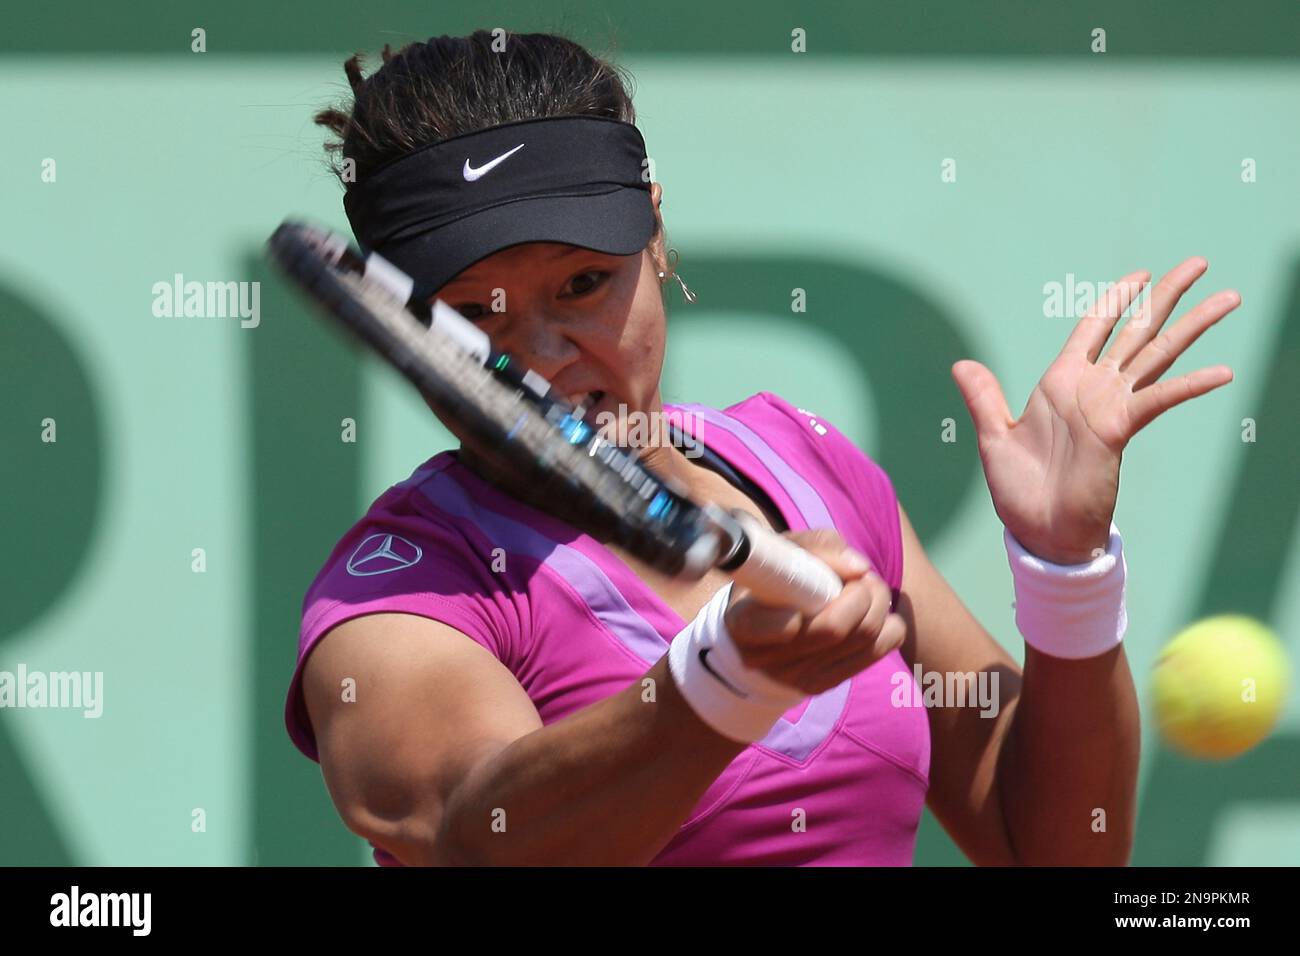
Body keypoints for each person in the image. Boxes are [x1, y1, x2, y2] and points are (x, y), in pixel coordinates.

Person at [283, 30, 1238, 866]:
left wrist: (1065, 569)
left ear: (655, 230)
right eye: (475, 312)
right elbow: (479, 842)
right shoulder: (395, 595)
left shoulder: (802, 460)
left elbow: (1058, 849)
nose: (541, 354)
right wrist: (726, 683)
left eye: (583, 284)